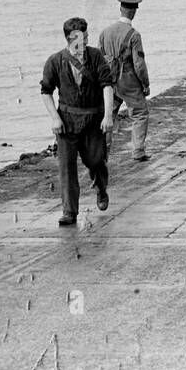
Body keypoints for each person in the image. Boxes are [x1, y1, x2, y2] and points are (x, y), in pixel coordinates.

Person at [39, 18, 116, 226]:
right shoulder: (55, 61)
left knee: (96, 160)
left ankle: (100, 187)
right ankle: (69, 211)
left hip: (93, 120)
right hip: (67, 122)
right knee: (66, 167)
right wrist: (55, 118)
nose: (83, 43)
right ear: (68, 39)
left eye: (85, 38)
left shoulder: (96, 57)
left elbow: (107, 85)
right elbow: (46, 91)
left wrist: (108, 116)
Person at [99, 0, 151, 161]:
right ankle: (138, 151)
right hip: (128, 81)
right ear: (134, 12)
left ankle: (103, 152)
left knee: (109, 115)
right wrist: (145, 84)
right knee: (140, 113)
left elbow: (99, 57)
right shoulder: (133, 35)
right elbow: (139, 64)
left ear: (120, 9)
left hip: (109, 80)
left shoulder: (105, 32)